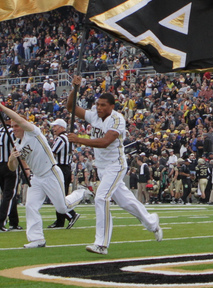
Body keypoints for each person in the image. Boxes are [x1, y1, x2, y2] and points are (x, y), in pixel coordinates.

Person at [65, 76, 163, 255]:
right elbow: (70, 107)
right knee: (127, 202)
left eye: (103, 105)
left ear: (112, 106)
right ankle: (152, 223)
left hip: (115, 166)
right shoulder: (94, 115)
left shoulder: (118, 120)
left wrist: (79, 139)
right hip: (102, 167)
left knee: (101, 198)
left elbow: (105, 142)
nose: (99, 108)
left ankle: (101, 244)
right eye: (98, 104)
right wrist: (75, 88)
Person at [0, 98, 88, 248]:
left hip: (50, 173)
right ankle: (37, 239)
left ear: (24, 126)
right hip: (36, 177)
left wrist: (1, 107)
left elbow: (18, 118)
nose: (14, 128)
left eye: (16, 126)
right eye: (12, 127)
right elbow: (12, 167)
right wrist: (12, 159)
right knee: (30, 205)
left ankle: (80, 193)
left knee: (62, 208)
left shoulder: (33, 132)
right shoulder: (17, 145)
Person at [0, 117, 21, 232]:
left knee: (8, 194)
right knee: (9, 195)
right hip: (10, 164)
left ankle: (14, 222)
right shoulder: (13, 132)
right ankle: (0, 222)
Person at [49, 118, 77, 229]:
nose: (53, 128)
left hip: (60, 168)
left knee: (58, 195)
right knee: (60, 194)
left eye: (55, 126)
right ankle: (60, 221)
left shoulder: (60, 138)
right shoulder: (68, 138)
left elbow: (52, 153)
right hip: (66, 168)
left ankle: (71, 214)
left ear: (61, 127)